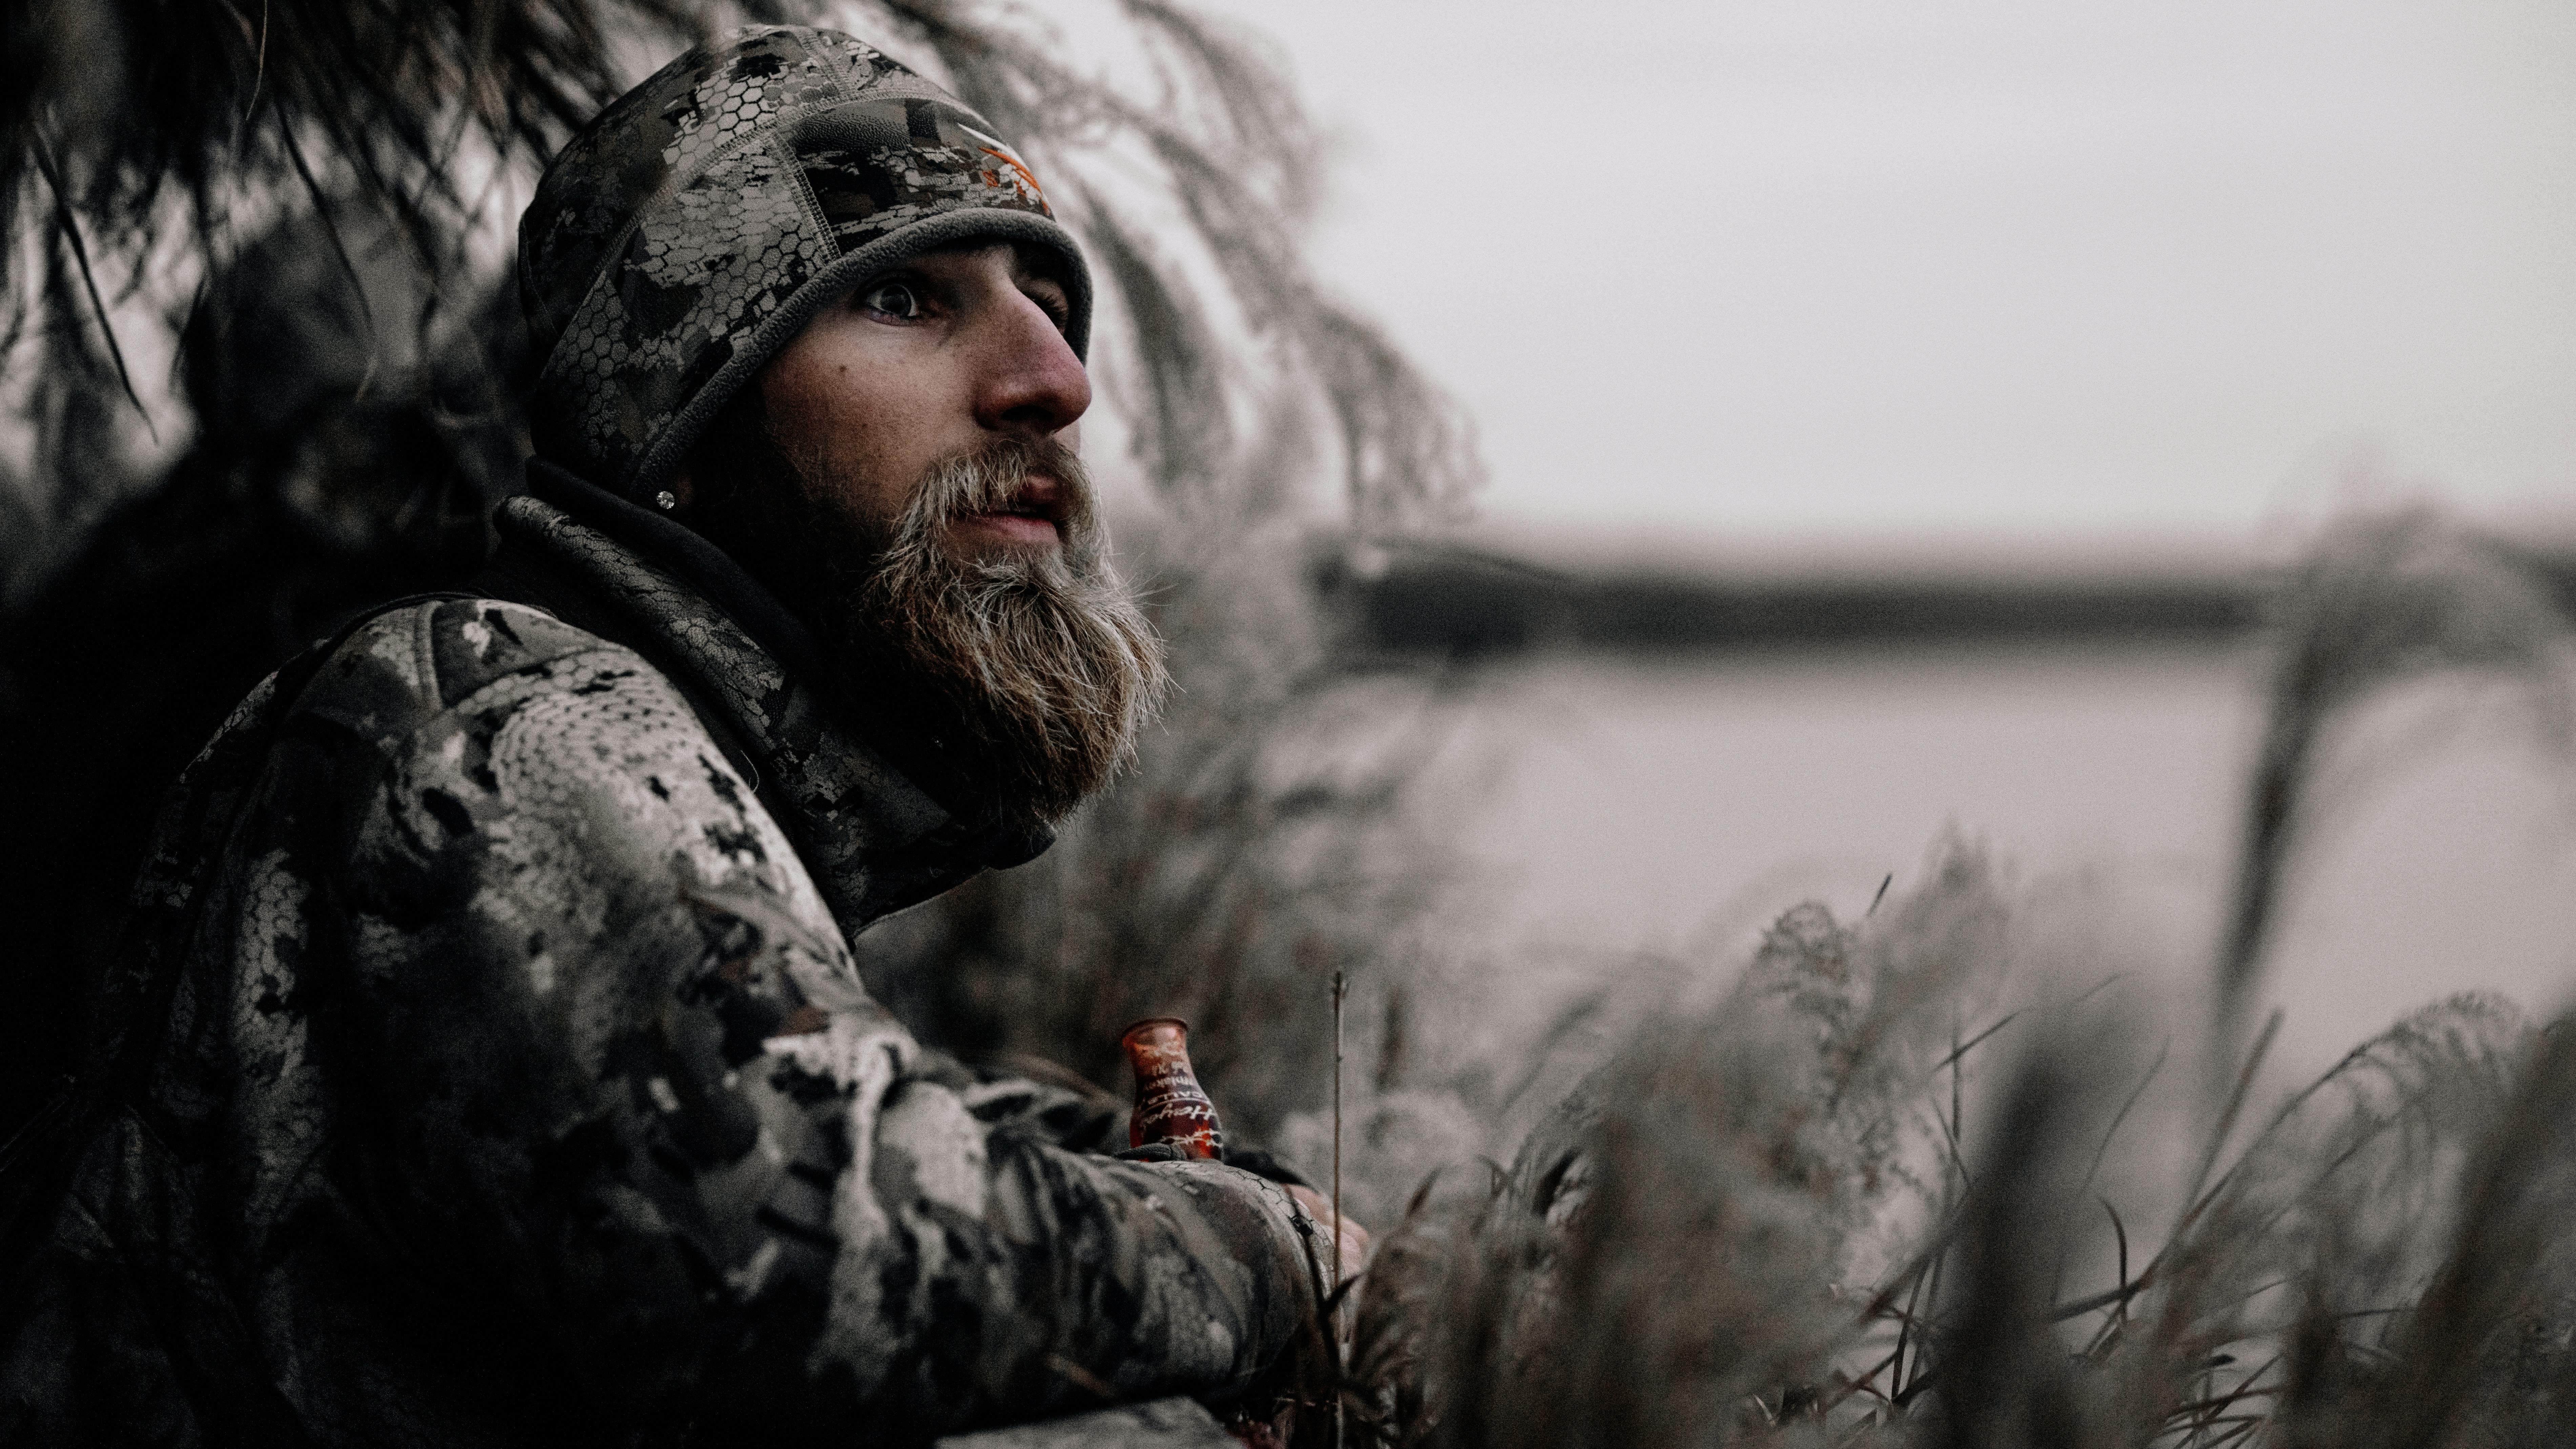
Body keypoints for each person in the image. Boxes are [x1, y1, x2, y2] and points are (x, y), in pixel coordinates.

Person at [0, 24, 1361, 1446]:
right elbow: (807, 1259)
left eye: (1046, 301)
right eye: (901, 296)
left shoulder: (694, 764)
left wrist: (1099, 1173)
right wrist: (1269, 1256)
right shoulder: (499, 702)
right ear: (679, 426)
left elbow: (740, 1140)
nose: (1055, 381)